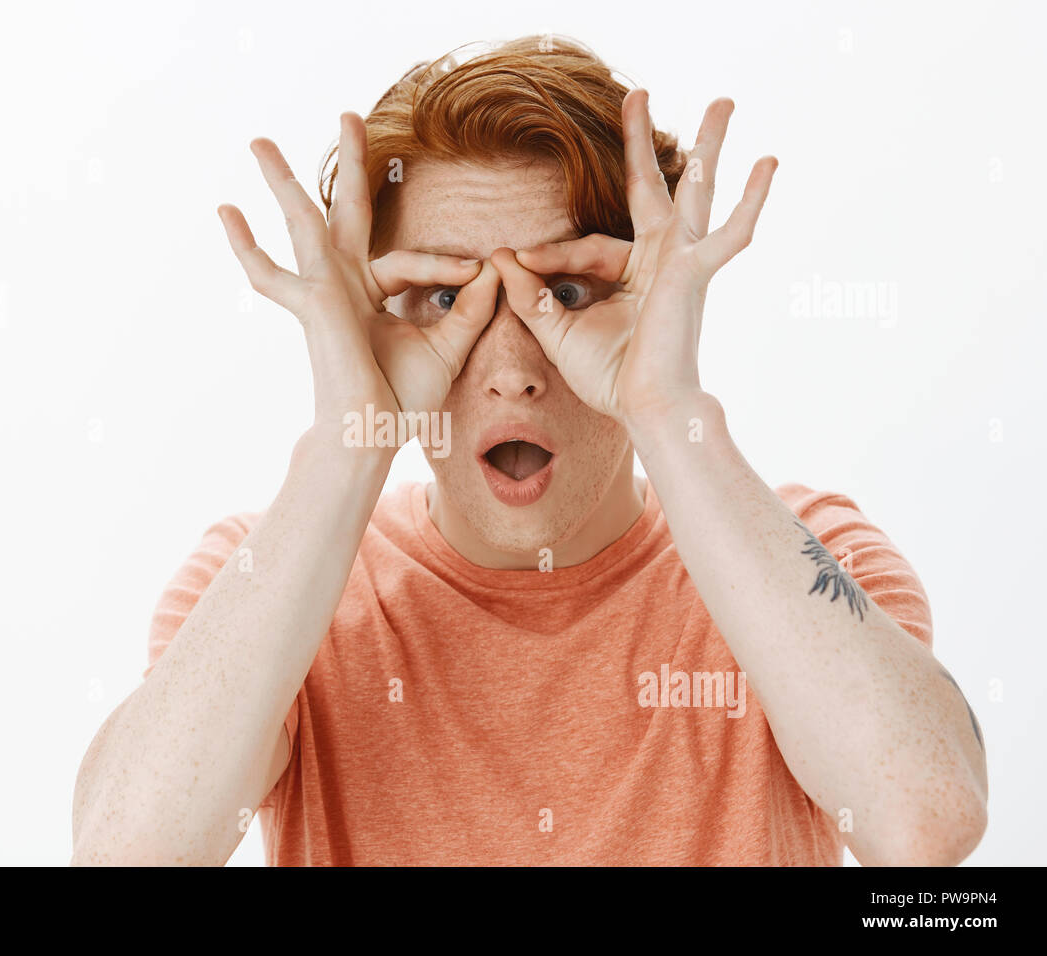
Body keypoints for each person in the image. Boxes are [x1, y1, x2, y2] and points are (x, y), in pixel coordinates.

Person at [70, 35, 988, 866]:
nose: (510, 370)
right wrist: (351, 440)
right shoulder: (273, 579)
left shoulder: (807, 552)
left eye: (570, 292)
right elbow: (126, 856)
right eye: (443, 299)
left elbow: (924, 824)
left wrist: (667, 409)